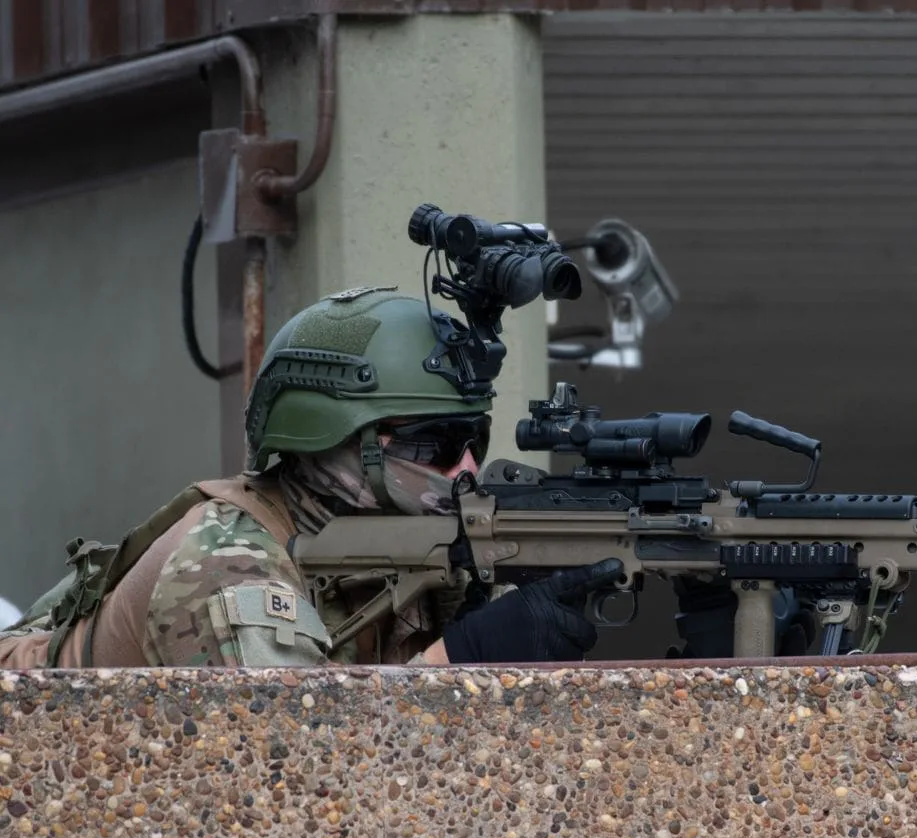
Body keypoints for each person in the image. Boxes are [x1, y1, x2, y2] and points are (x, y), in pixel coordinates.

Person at [0, 285, 622, 670]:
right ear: (335, 441)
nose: (463, 468)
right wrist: (467, 656)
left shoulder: (411, 540)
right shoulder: (227, 563)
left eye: (472, 440)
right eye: (435, 444)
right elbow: (298, 773)